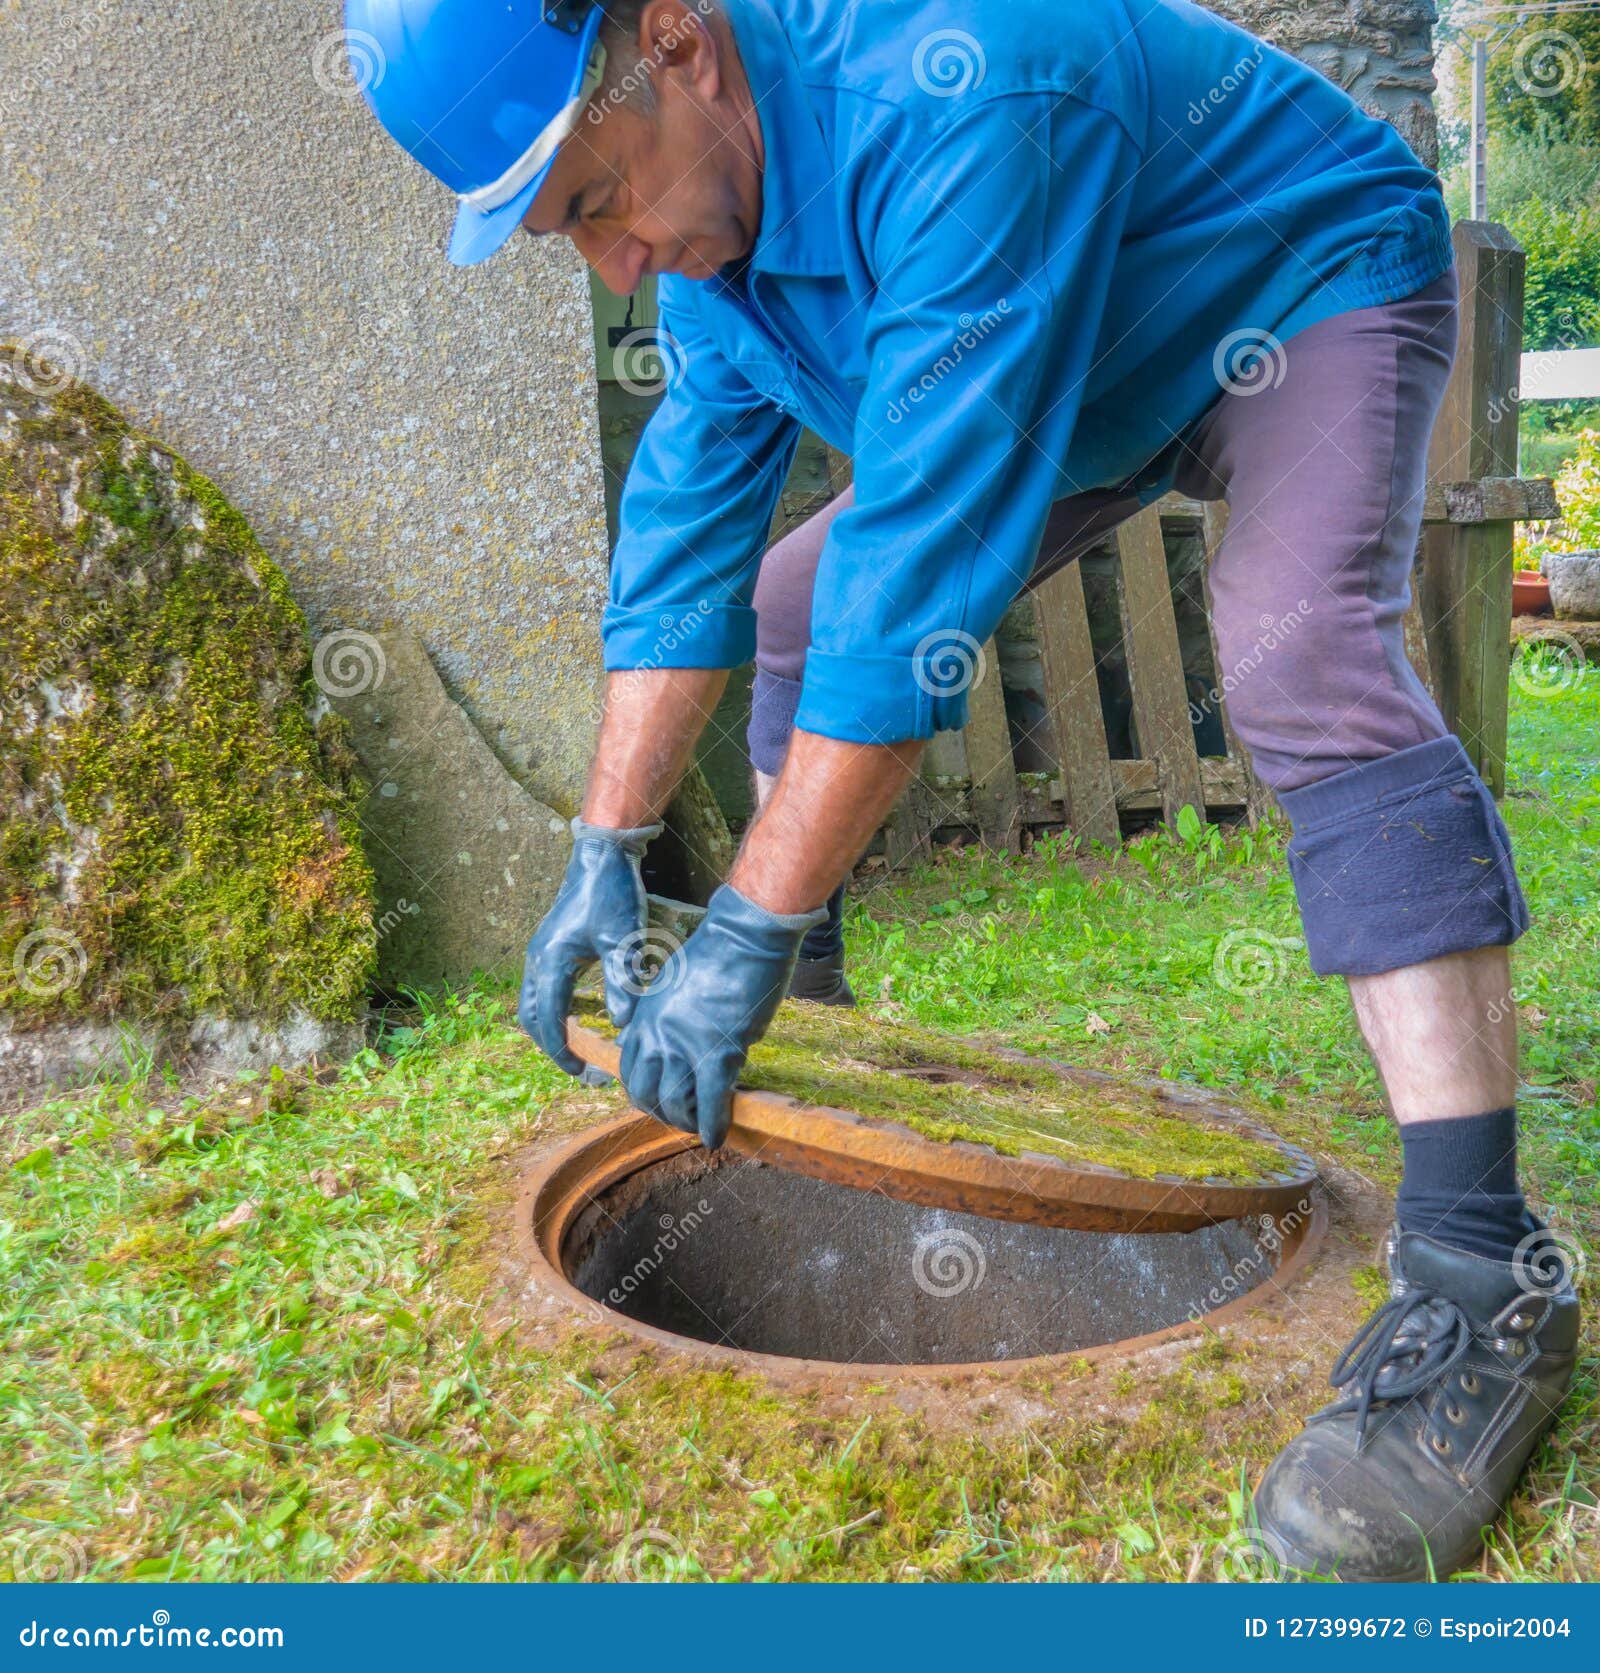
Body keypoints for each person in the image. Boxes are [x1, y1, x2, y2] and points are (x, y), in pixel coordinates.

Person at [349, 0, 1578, 1582]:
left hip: (1299, 277)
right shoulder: (719, 220)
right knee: (789, 603)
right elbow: (684, 545)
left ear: (678, 43)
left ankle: (1486, 1288)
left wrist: (732, 928)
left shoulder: (970, 78)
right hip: (1092, 355)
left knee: (1292, 650)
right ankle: (807, 1090)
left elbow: (911, 608)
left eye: (594, 200)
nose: (615, 264)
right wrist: (605, 841)